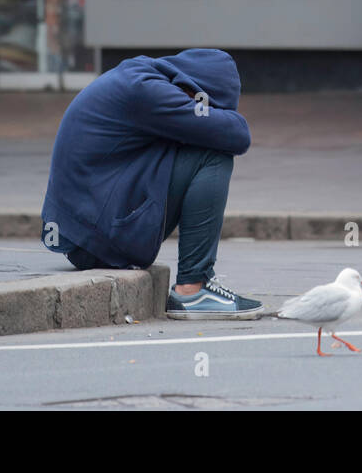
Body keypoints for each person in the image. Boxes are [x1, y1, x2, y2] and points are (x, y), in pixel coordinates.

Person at [40, 48, 263, 319]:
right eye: (207, 106)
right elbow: (237, 135)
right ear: (196, 91)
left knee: (195, 142)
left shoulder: (140, 75)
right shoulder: (145, 90)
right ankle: (193, 289)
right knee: (213, 155)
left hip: (87, 233)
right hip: (94, 241)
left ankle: (195, 286)